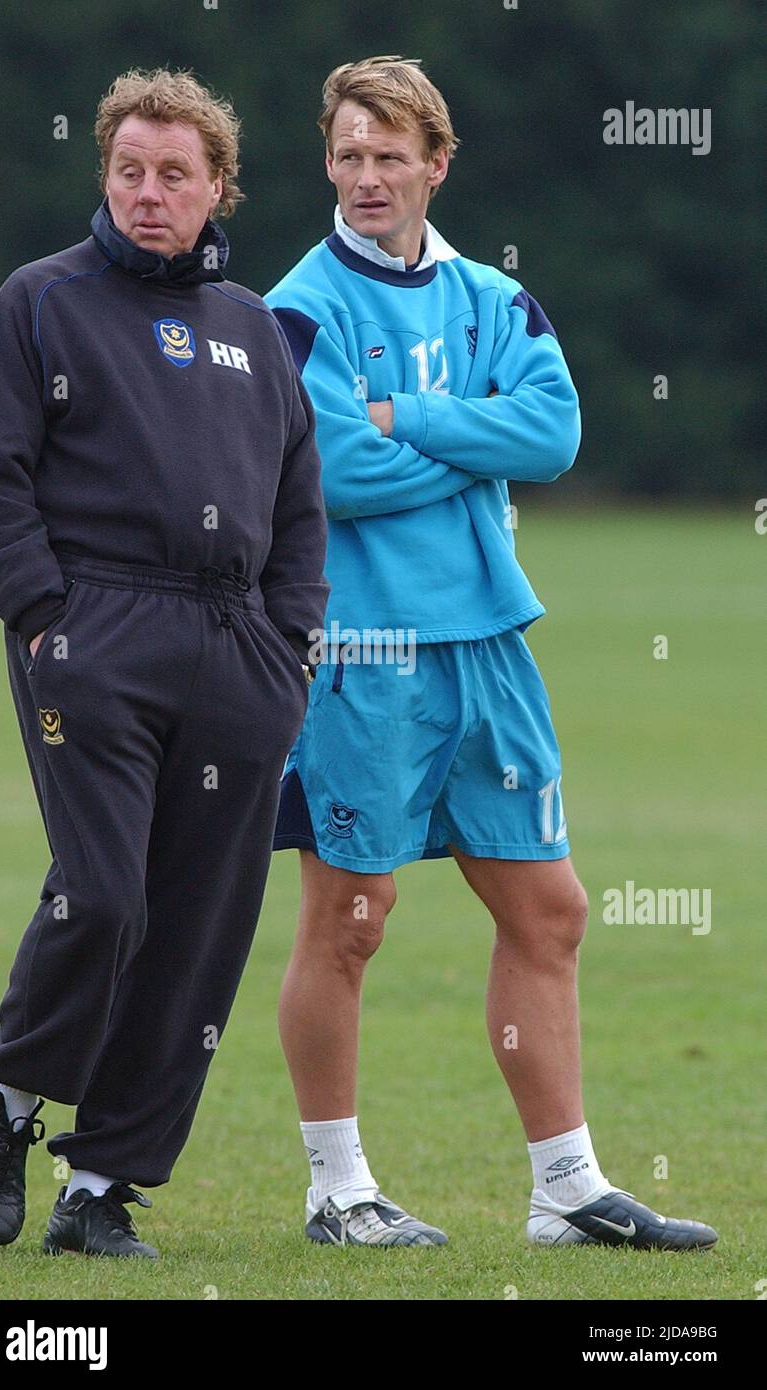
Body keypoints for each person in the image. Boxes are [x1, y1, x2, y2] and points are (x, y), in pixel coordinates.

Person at [266, 55, 717, 1251]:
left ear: (435, 162)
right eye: (348, 155)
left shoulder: (491, 297)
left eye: (389, 155)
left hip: (491, 642)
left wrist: (403, 417)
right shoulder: (296, 306)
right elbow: (325, 471)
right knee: (350, 918)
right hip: (362, 651)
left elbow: (555, 431)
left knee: (550, 912)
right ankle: (335, 1189)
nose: (367, 177)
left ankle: (564, 1191)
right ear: (328, 160)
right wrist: (475, 441)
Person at [0, 67, 328, 1259]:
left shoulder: (256, 332)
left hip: (237, 653)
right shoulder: (39, 302)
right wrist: (42, 617)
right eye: (129, 171)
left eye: (175, 175)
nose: (148, 194)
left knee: (199, 927)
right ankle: (9, 1100)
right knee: (105, 892)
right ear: (104, 176)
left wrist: (289, 646)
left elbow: (299, 506)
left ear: (219, 187)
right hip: (94, 634)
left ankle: (102, 1188)